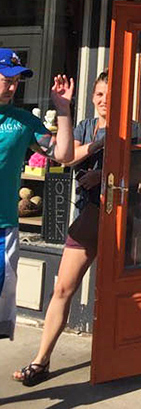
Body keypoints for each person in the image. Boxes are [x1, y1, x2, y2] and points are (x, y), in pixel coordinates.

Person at [12, 70, 108, 387]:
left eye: (110, 95)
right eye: (99, 95)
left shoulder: (134, 130)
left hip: (127, 219)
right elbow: (68, 157)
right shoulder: (85, 127)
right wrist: (99, 145)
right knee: (62, 289)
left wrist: (105, 175)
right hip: (88, 215)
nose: (104, 101)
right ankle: (41, 362)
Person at [0, 51, 74, 345]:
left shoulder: (23, 121)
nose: (13, 86)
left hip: (3, 229)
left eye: (16, 81)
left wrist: (64, 109)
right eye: (7, 79)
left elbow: (64, 155)